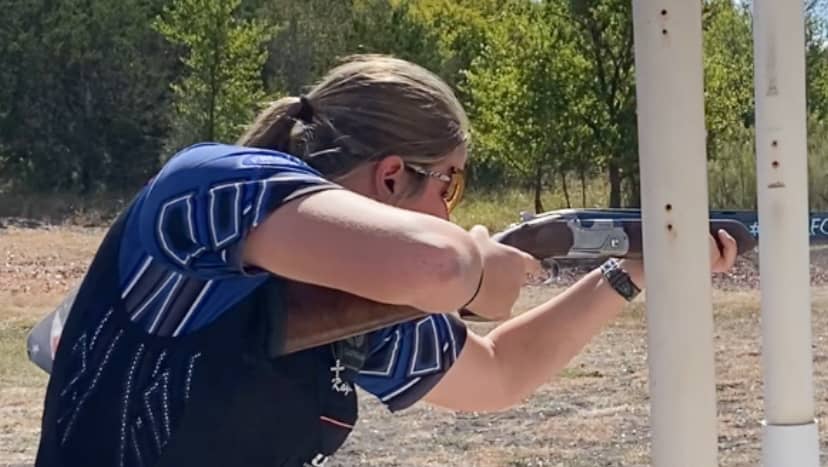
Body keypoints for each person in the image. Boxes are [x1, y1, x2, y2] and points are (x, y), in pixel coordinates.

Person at [33, 54, 737, 467]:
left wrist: (631, 270)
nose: (453, 209)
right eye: (451, 184)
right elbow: (439, 267)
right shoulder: (214, 185)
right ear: (394, 175)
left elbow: (497, 374)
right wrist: (476, 266)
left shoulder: (345, 299)